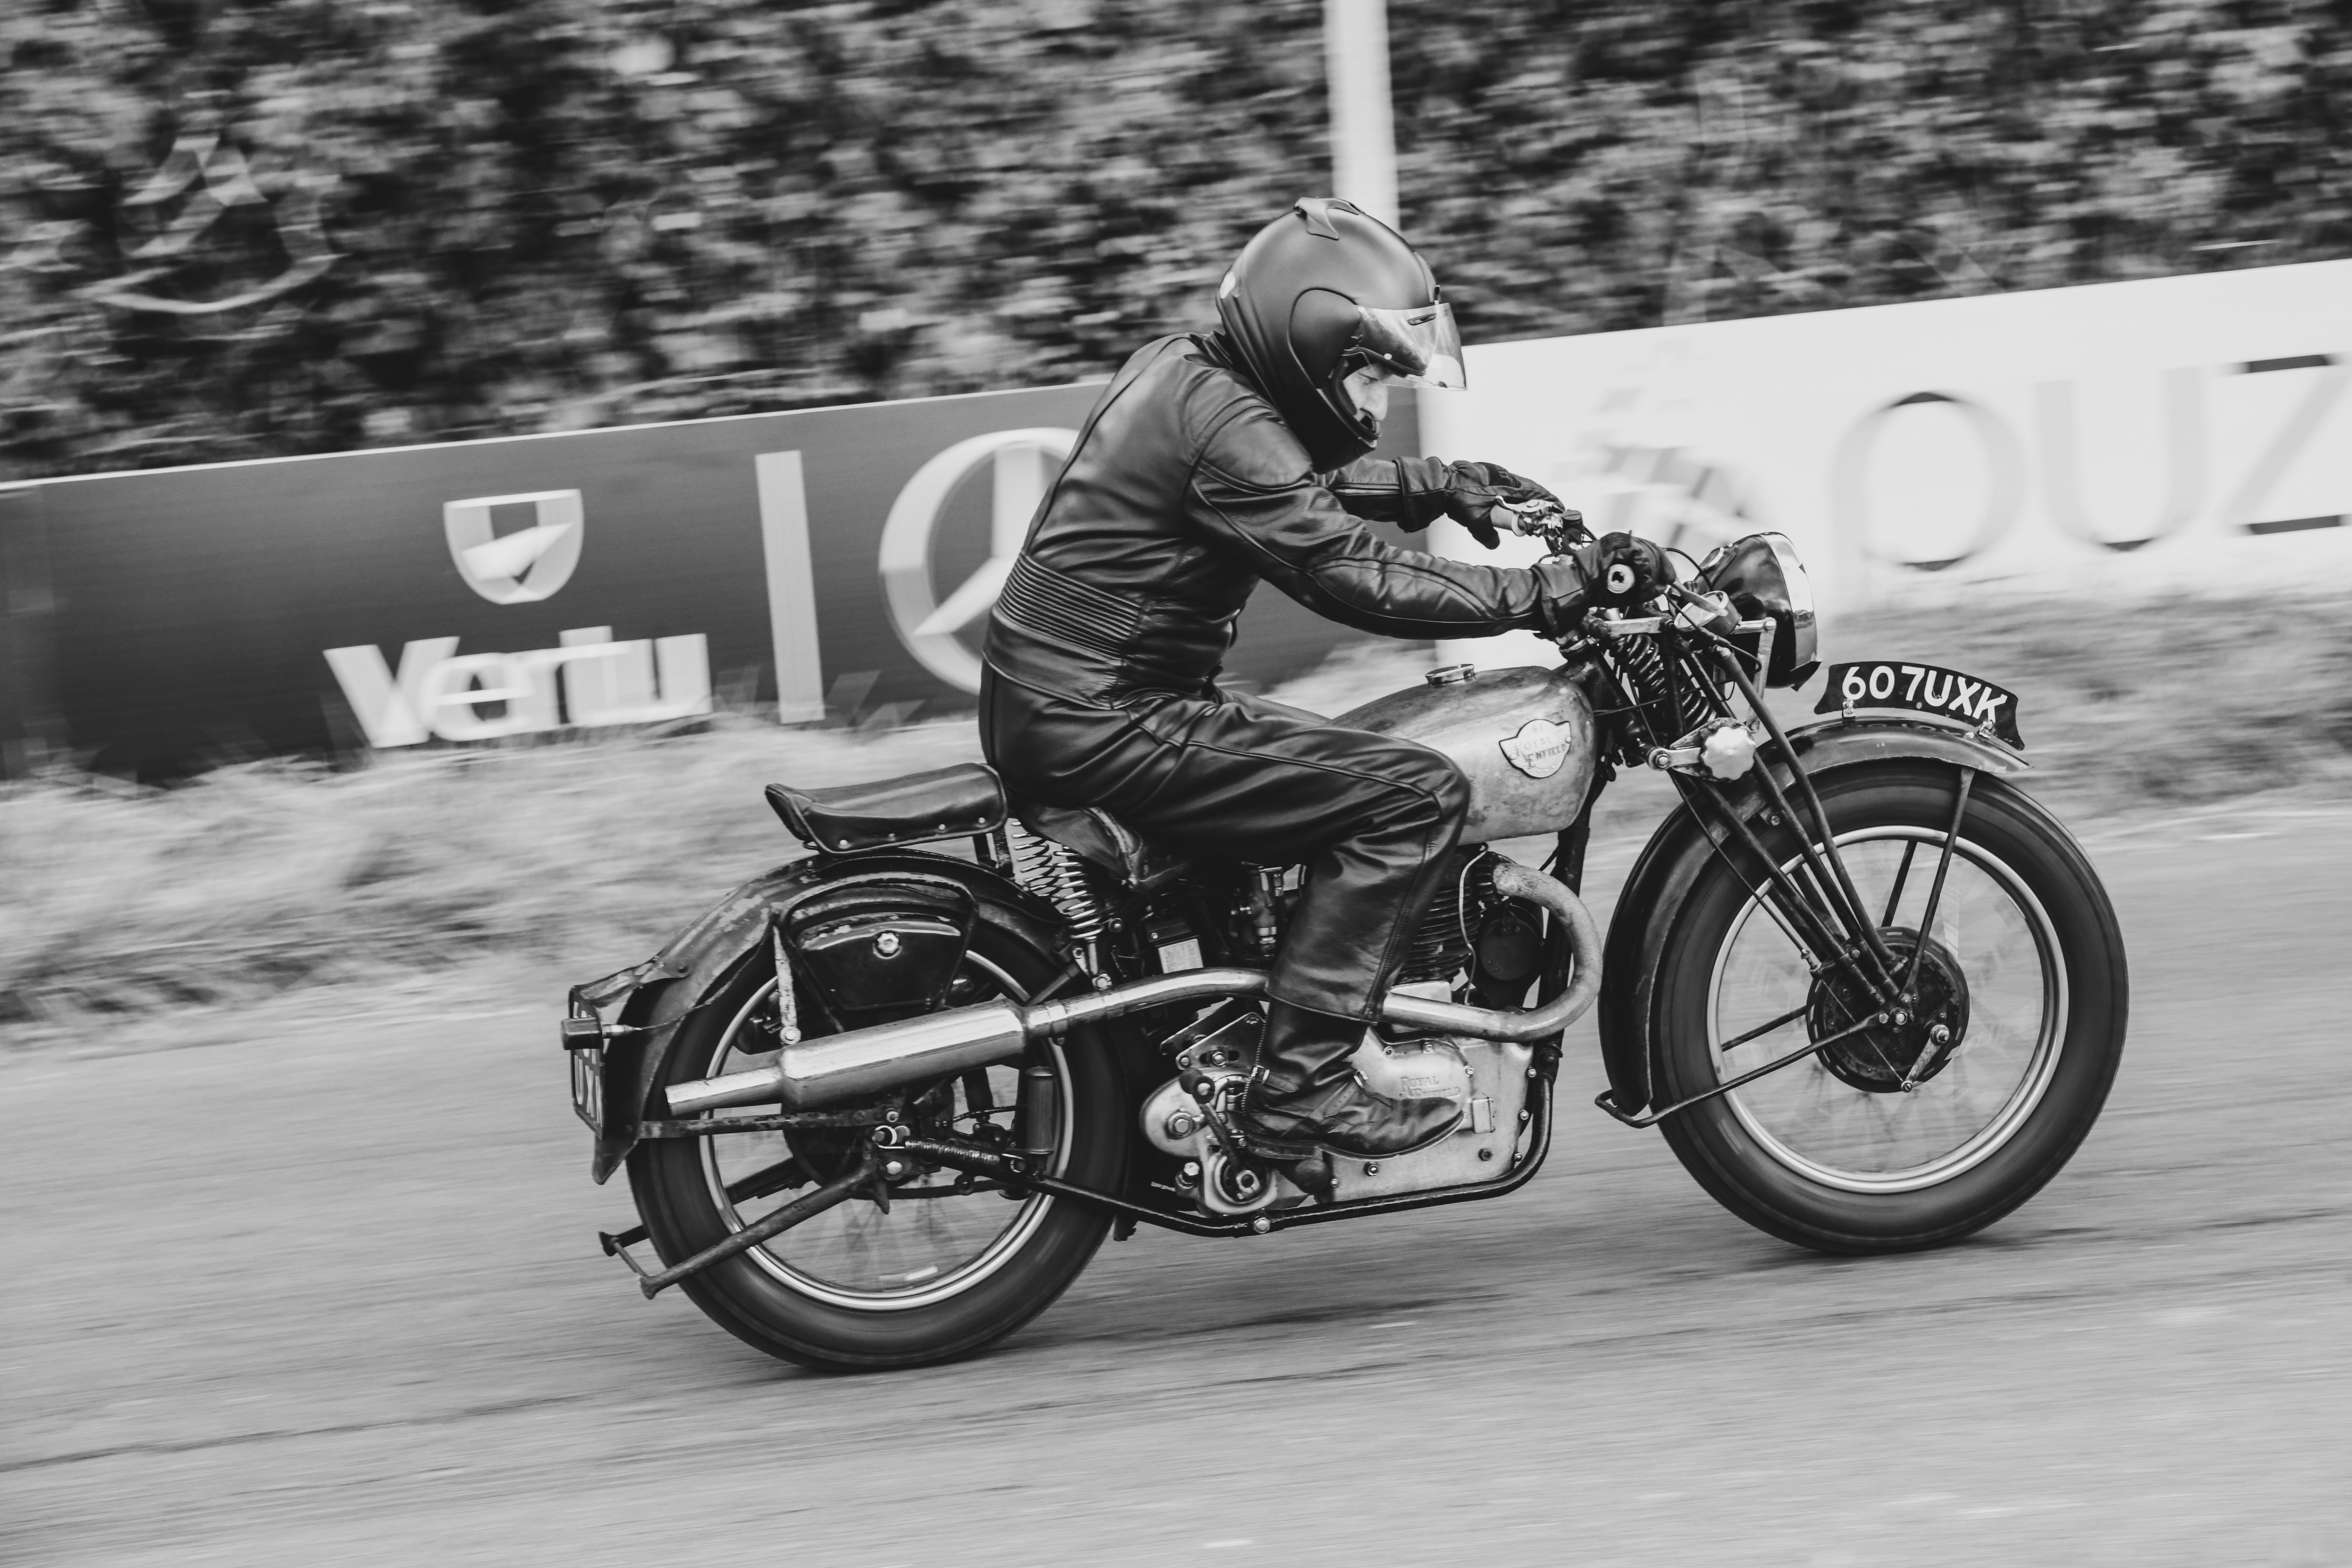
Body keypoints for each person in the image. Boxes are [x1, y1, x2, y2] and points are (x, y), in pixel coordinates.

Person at [978, 197, 1670, 1161]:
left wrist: (1436, 482)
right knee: (1416, 793)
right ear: (1310, 344)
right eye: (1370, 375)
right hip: (1108, 716)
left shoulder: (1188, 372)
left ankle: (1254, 1033)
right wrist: (1546, 591)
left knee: (1340, 761)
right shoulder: (1220, 416)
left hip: (1084, 701)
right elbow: (1350, 574)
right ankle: (1299, 1086)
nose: (1378, 402)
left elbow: (1292, 484)